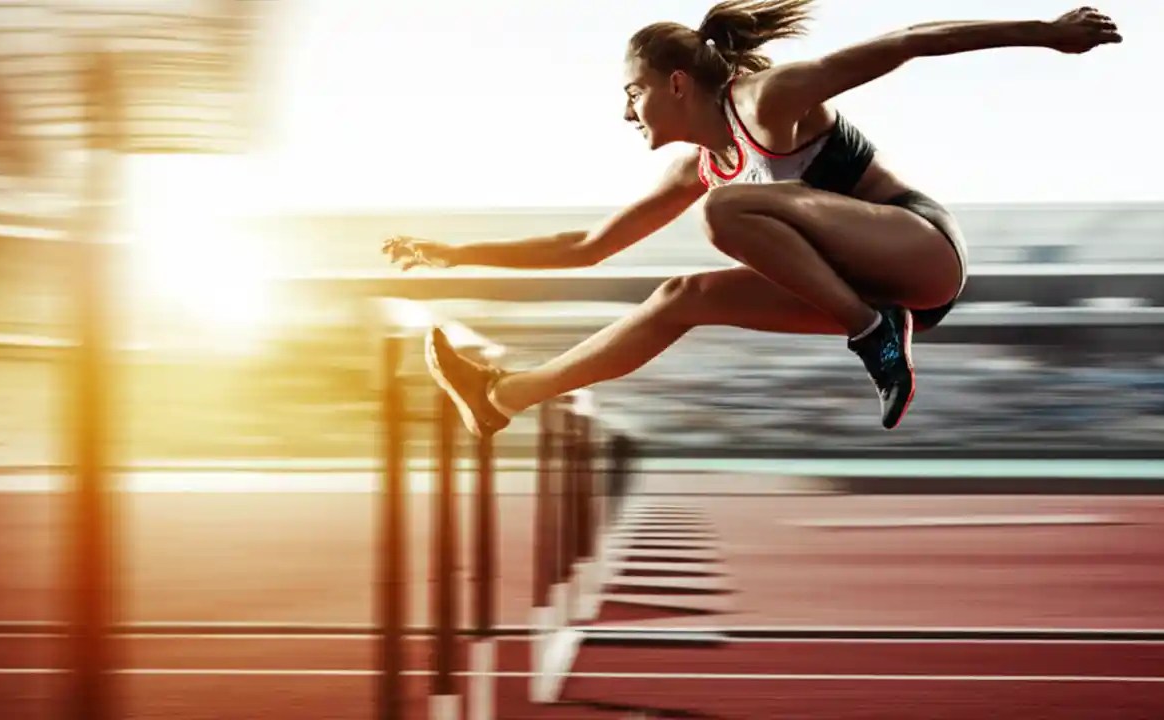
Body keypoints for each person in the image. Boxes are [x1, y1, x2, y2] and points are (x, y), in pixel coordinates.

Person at [382, 1, 1121, 438]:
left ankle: (873, 334)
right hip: (866, 290)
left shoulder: (768, 101)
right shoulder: (698, 168)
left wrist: (1049, 31)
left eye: (634, 92)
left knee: (725, 211)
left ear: (677, 83)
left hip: (920, 249)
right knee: (681, 296)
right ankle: (502, 397)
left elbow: (906, 44)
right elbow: (586, 246)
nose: (625, 111)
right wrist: (450, 251)